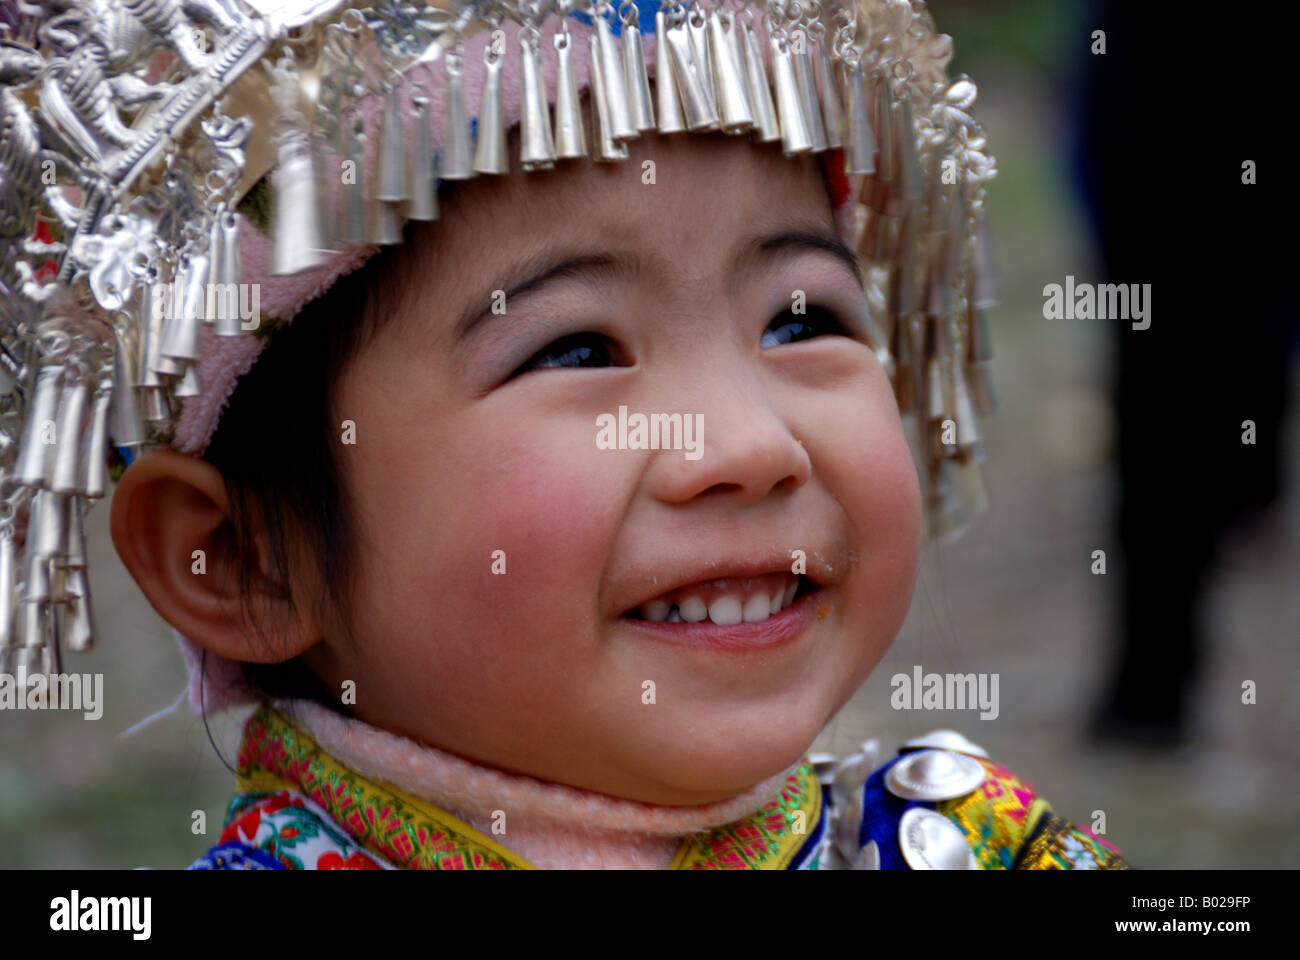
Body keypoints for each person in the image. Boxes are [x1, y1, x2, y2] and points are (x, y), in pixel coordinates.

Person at [0, 0, 1127, 869]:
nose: (746, 443)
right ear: (246, 558)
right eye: (579, 349)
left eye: (799, 319)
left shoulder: (972, 843)